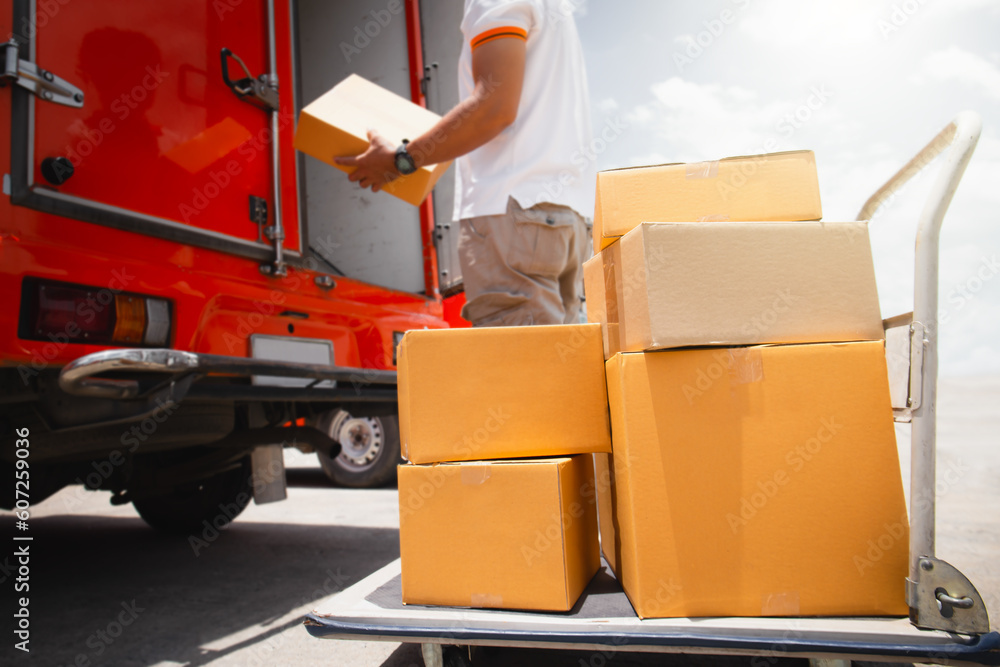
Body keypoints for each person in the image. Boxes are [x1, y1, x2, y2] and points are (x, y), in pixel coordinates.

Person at [336, 0, 595, 327]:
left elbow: (494, 107)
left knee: (521, 368)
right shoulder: (556, 9)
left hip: (514, 212)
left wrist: (401, 160)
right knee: (559, 365)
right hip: (564, 216)